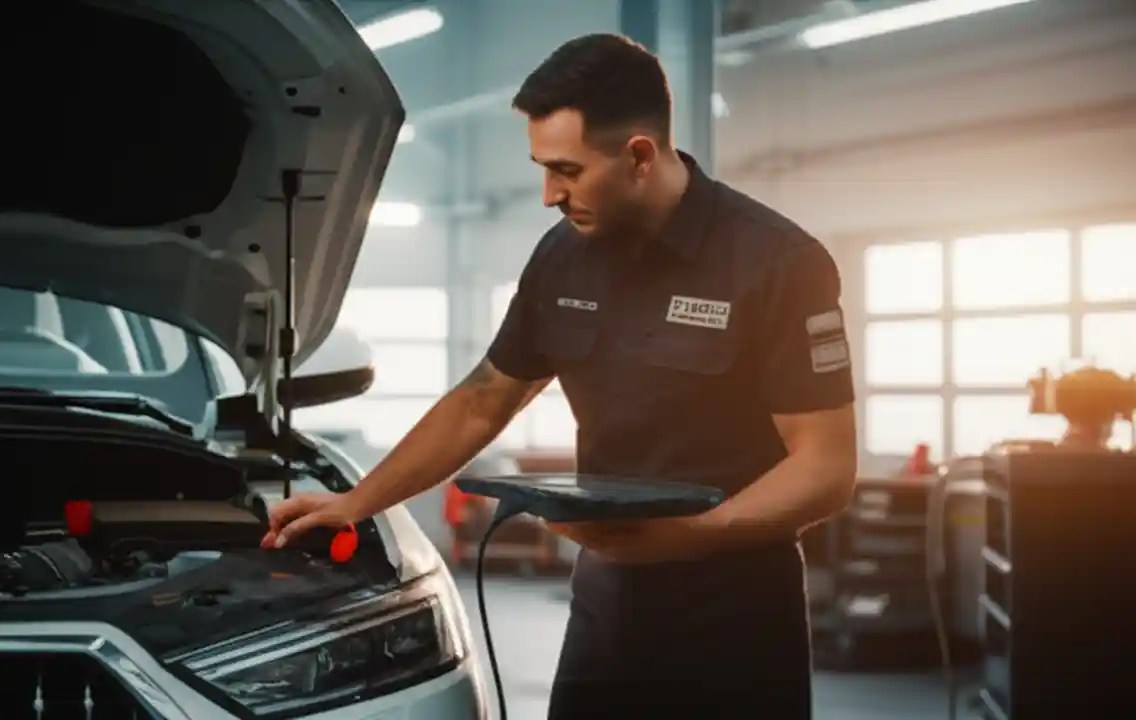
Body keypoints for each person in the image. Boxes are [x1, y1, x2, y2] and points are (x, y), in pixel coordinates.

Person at [262, 33, 857, 718]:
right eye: (543, 168)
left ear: (638, 156)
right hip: (607, 605)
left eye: (567, 171)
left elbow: (826, 468)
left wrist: (694, 534)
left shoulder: (778, 262)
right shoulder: (562, 257)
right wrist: (355, 502)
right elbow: (485, 398)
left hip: (736, 618)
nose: (549, 193)